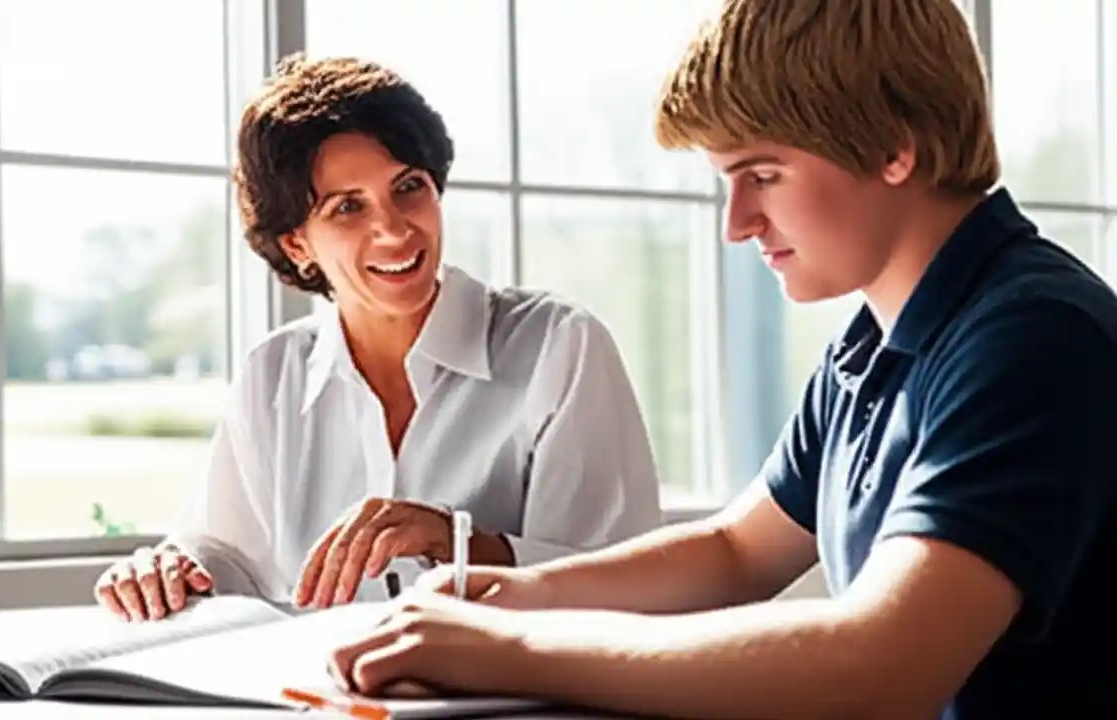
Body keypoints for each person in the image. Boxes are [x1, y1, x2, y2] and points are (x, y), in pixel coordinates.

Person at [328, 1, 1117, 717]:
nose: (735, 224)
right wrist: (524, 595)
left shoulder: (1033, 336)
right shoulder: (876, 341)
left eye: (762, 175)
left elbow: (885, 664)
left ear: (893, 147)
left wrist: (511, 650)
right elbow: (738, 551)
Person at [92, 55, 662, 622]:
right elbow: (224, 557)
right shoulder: (273, 373)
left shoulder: (559, 347)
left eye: (409, 187)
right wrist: (166, 572)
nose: (393, 229)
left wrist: (455, 543)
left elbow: (627, 584)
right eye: (348, 207)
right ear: (297, 245)